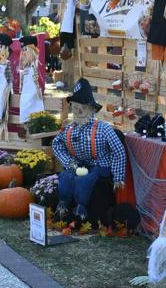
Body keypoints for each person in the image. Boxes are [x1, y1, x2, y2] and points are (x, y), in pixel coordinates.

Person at [52, 78, 126, 220]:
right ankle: (63, 207)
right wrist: (69, 162)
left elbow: (118, 151)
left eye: (84, 107)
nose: (79, 111)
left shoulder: (103, 129)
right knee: (66, 177)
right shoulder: (69, 129)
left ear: (91, 109)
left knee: (85, 180)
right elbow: (56, 144)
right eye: (76, 107)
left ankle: (81, 210)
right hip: (78, 164)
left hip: (100, 166)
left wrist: (118, 176)